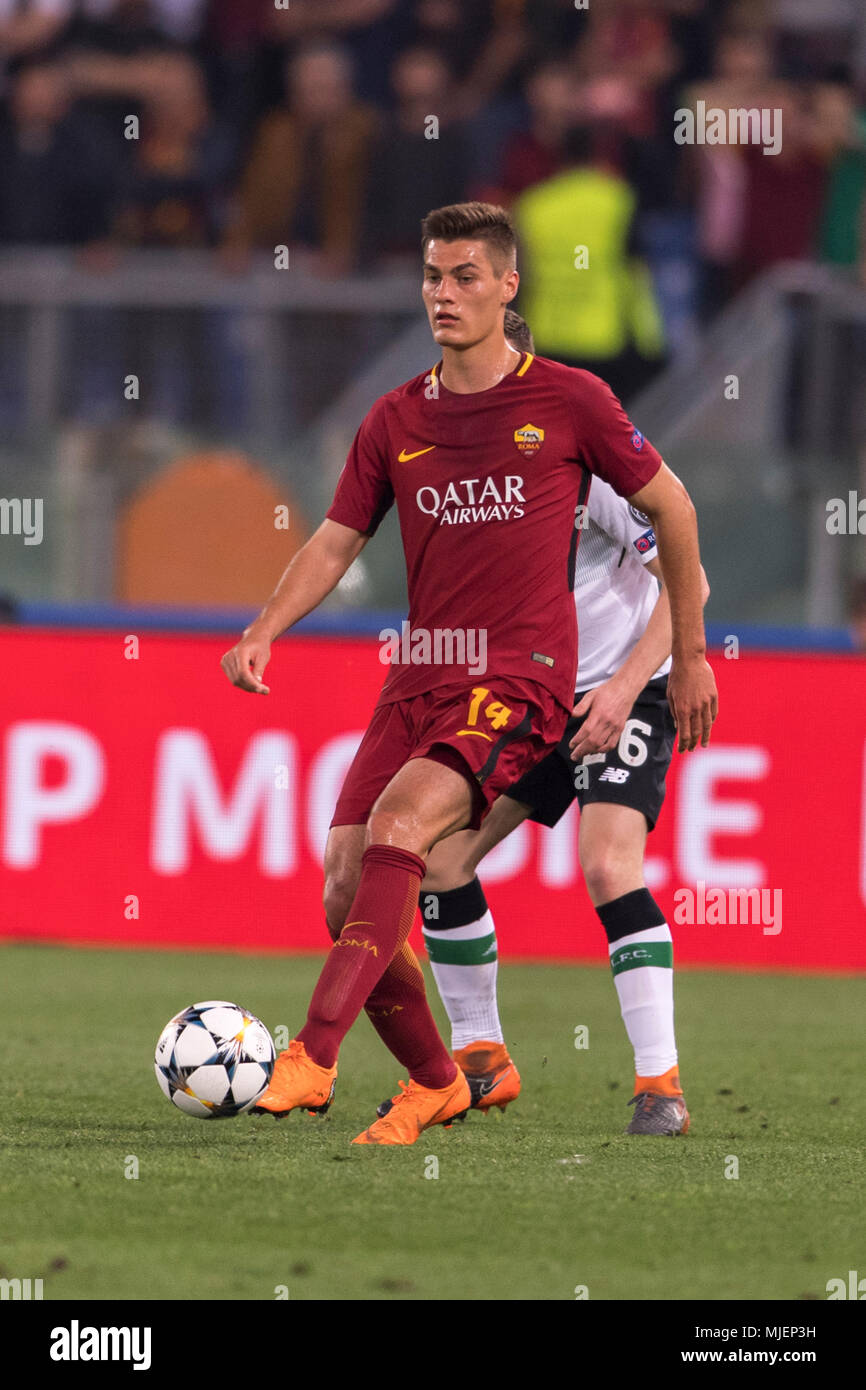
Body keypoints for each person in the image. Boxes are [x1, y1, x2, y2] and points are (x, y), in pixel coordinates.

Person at [220, 201, 717, 1146]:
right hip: (435, 676)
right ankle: (464, 1066)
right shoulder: (398, 417)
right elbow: (334, 540)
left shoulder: (577, 419)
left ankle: (656, 1084)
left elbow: (678, 533)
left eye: (464, 278)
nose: (443, 295)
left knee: (602, 863)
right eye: (433, 279)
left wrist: (672, 667)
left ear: (507, 288)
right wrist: (265, 627)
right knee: (387, 871)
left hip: (578, 684)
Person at [397, 306, 708, 1138]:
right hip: (534, 699)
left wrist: (634, 684)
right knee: (439, 863)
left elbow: (687, 580)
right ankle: (483, 1060)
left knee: (608, 866)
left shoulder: (595, 470)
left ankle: (661, 1086)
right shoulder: (477, 485)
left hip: (622, 687)